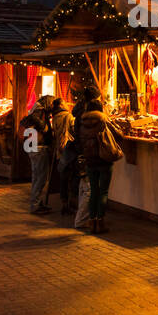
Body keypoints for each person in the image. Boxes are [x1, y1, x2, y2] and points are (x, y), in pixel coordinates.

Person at [77, 98, 118, 234]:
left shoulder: (82, 122)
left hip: (89, 160)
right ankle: (100, 221)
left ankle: (92, 221)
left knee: (94, 190)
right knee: (103, 191)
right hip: (103, 159)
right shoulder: (103, 120)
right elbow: (119, 135)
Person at [69, 86, 100, 231]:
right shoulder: (90, 116)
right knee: (88, 188)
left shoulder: (79, 112)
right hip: (88, 152)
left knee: (83, 185)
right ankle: (82, 219)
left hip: (81, 151)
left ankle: (82, 217)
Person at [20, 95, 54, 215]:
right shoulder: (40, 111)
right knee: (41, 177)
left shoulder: (34, 110)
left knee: (36, 177)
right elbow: (41, 126)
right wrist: (44, 128)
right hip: (37, 146)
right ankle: (35, 204)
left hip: (31, 146)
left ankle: (36, 202)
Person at [49, 98, 76, 215]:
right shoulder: (68, 116)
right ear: (61, 104)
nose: (66, 104)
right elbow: (74, 130)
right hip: (69, 149)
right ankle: (70, 204)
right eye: (64, 102)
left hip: (59, 151)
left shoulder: (54, 117)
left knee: (63, 179)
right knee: (71, 177)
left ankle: (64, 203)